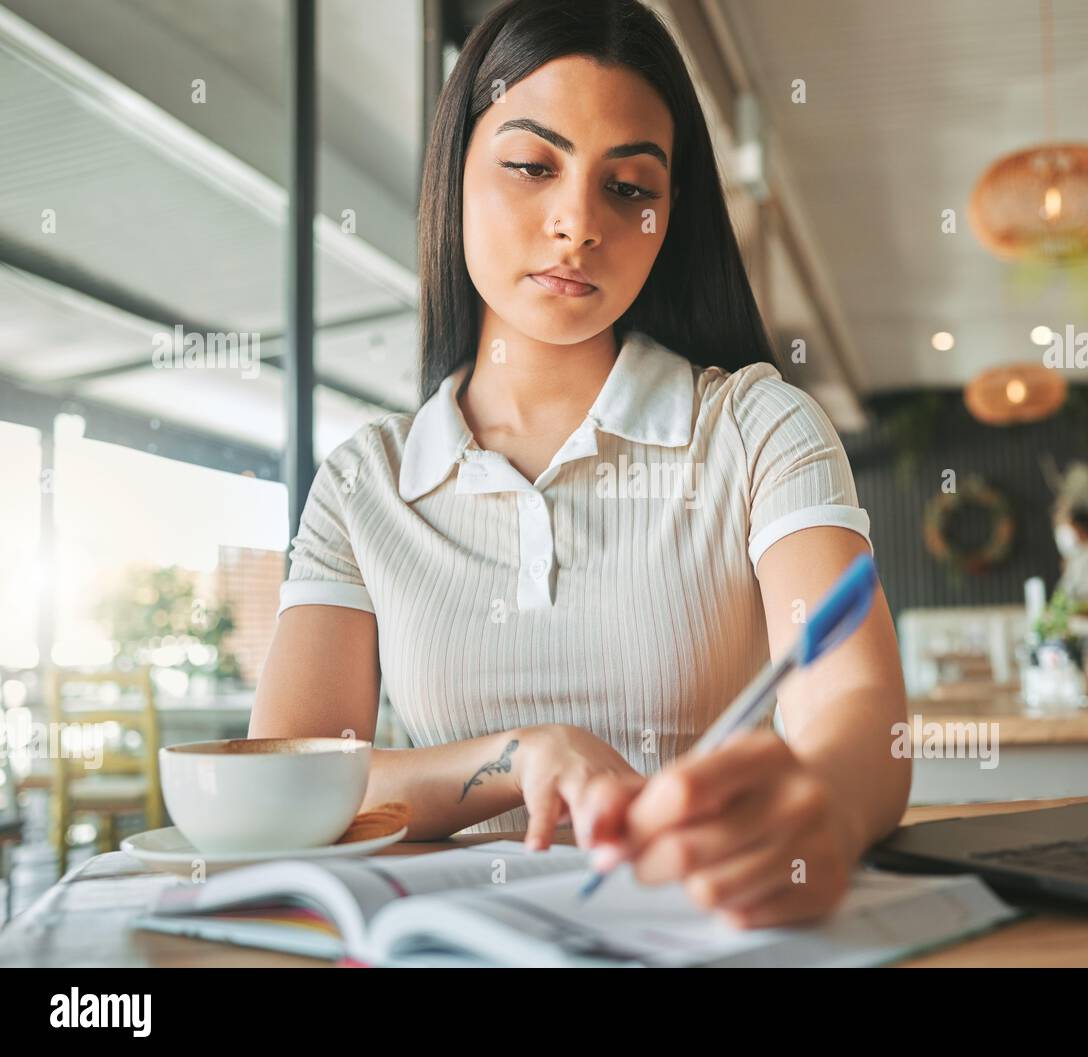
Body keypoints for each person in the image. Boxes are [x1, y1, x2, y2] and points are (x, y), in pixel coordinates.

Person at [250, 0, 909, 929]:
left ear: (669, 215)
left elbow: (856, 710)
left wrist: (825, 814)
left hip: (702, 932)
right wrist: (520, 757)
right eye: (531, 166)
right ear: (456, 173)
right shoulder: (365, 483)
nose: (577, 223)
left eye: (630, 188)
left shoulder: (759, 429)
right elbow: (284, 781)